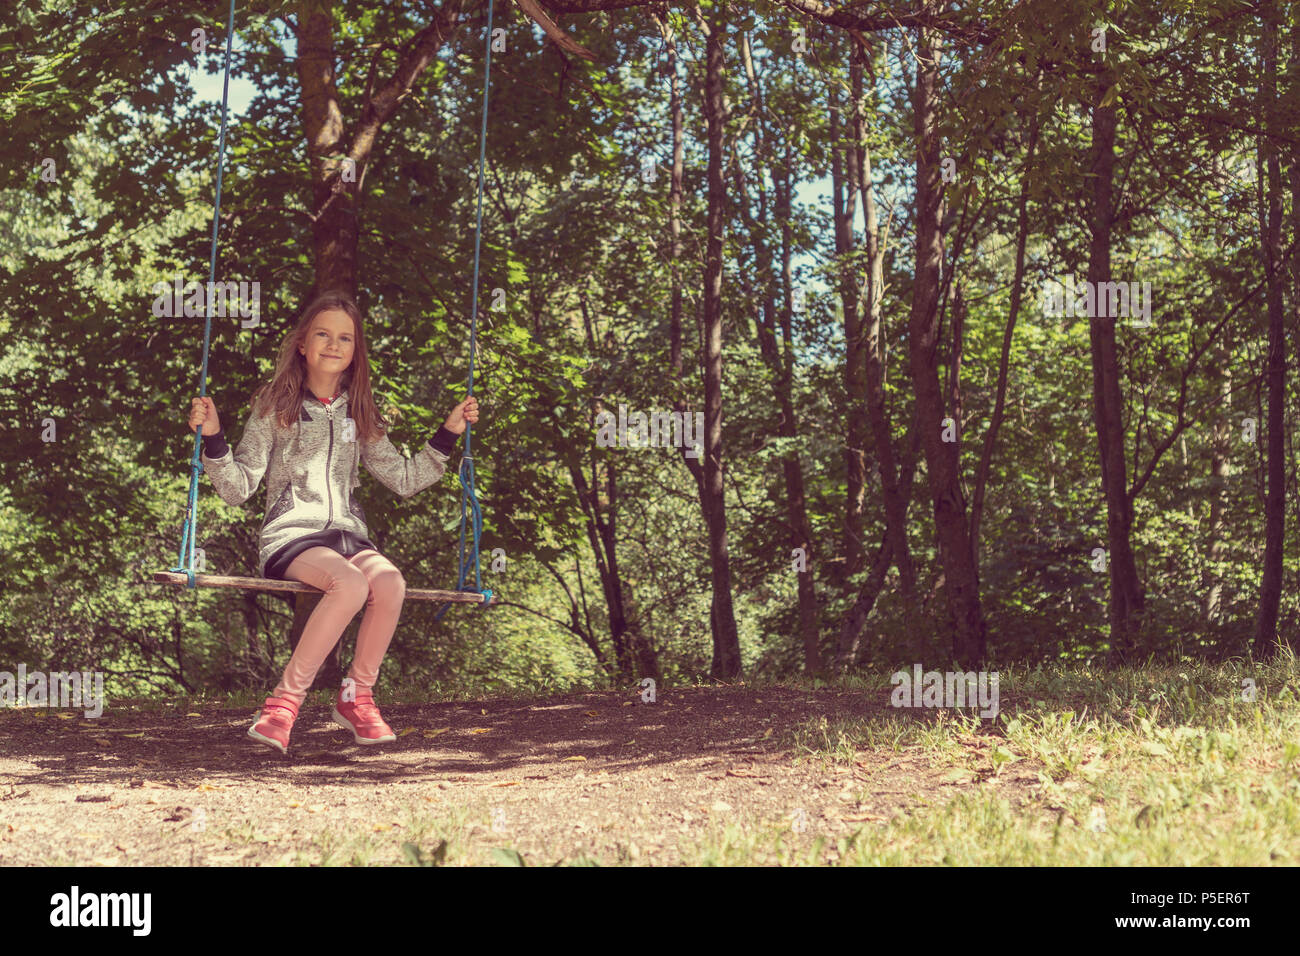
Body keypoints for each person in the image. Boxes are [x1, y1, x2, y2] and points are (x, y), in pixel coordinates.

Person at [187, 291, 479, 754]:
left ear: (355, 350)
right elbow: (237, 486)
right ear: (303, 343)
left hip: (347, 533)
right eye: (323, 333)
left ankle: (356, 696)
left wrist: (448, 434)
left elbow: (404, 478)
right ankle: (283, 703)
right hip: (293, 536)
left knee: (390, 583)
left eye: (345, 337)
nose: (333, 344)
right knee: (349, 584)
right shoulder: (274, 407)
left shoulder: (360, 412)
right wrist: (215, 438)